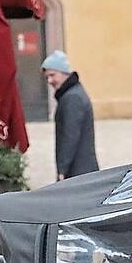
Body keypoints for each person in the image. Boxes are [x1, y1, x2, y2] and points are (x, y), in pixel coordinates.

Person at [42, 50, 99, 180]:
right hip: (83, 170)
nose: (50, 81)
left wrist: (62, 170)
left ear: (64, 73)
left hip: (79, 172)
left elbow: (70, 136)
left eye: (52, 75)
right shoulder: (73, 93)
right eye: (47, 77)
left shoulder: (72, 97)